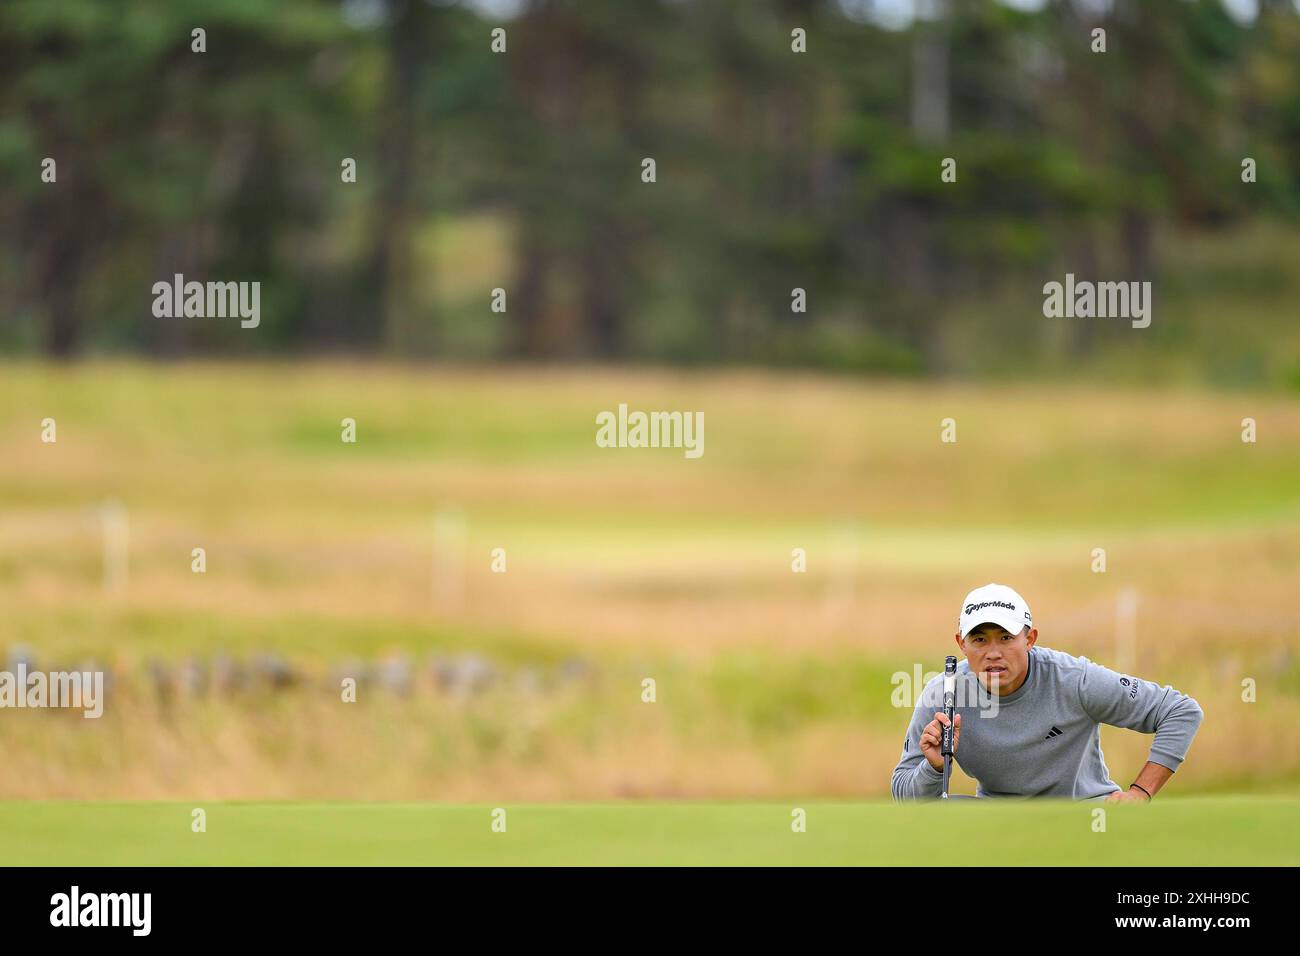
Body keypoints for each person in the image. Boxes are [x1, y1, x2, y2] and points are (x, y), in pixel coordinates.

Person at [891, 583, 1204, 801]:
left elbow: (1179, 711)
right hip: (995, 817)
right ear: (961, 644)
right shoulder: (943, 693)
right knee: (941, 816)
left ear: (1030, 639)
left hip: (1083, 810)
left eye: (1005, 637)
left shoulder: (1073, 678)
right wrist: (932, 768)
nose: (993, 652)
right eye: (980, 640)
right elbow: (904, 794)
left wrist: (1140, 792)